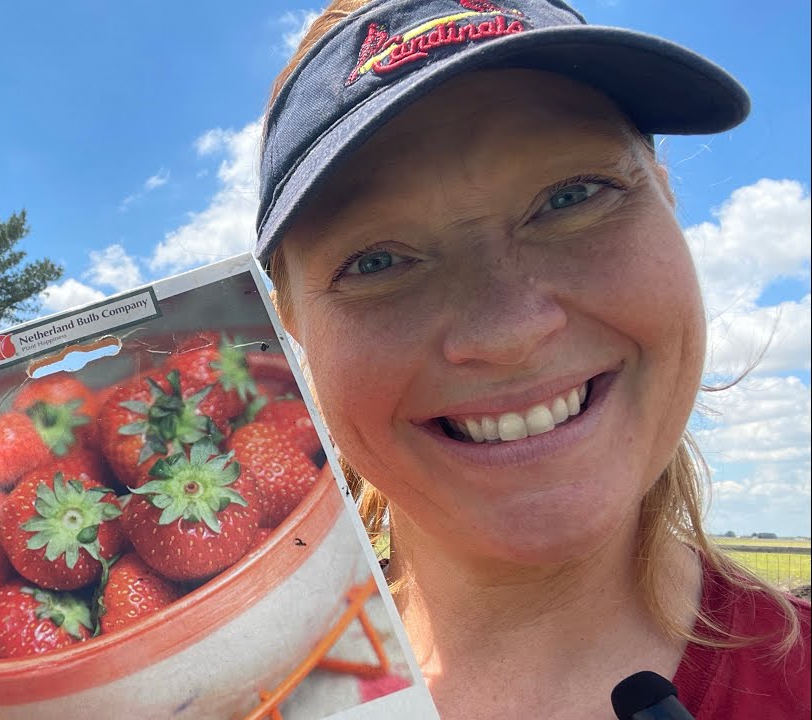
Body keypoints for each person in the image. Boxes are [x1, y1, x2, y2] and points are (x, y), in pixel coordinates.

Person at [253, 0, 811, 718]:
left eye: (572, 196)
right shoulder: (230, 695)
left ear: (668, 197)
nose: (509, 332)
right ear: (291, 320)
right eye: (378, 260)